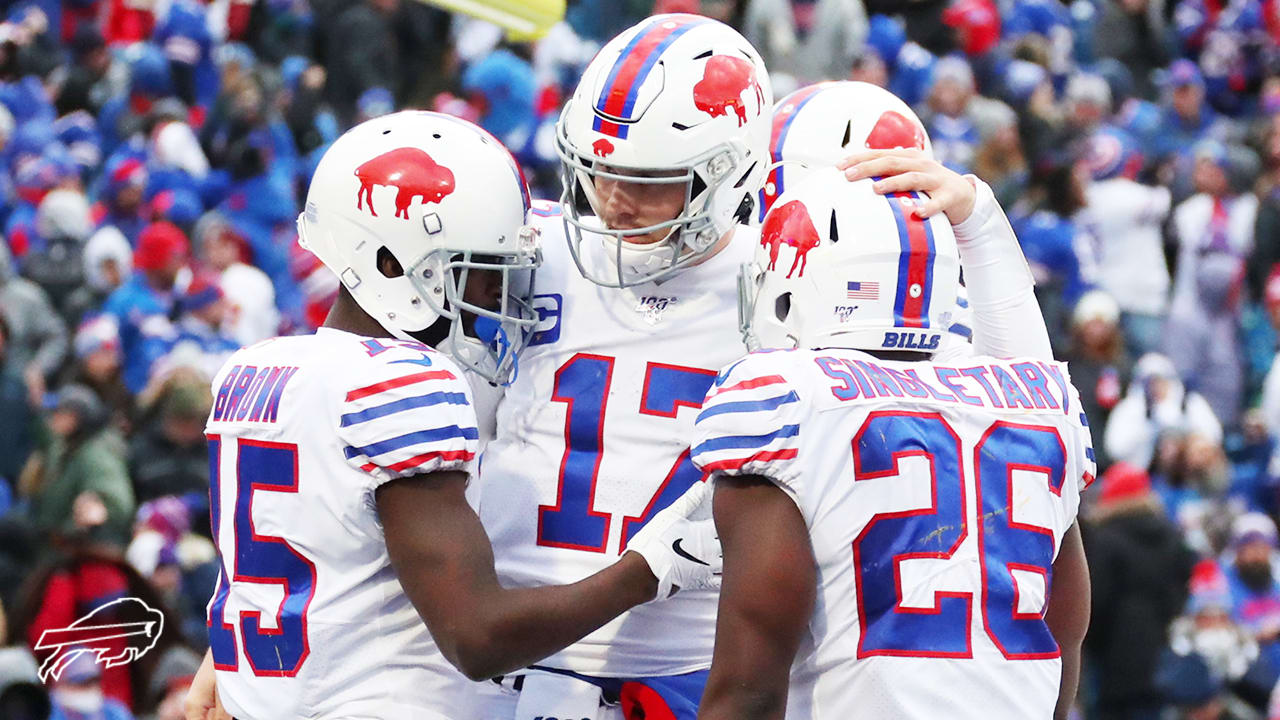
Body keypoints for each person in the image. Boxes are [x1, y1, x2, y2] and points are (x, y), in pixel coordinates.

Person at [473, 21, 1052, 713]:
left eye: (647, 182)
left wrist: (981, 229)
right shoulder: (528, 249)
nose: (612, 201)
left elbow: (1024, 403)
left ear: (732, 171)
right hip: (499, 646)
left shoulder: (804, 270)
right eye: (596, 171)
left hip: (688, 668)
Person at [181, 111, 721, 720]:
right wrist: (647, 570)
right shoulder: (402, 385)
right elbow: (478, 638)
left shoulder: (252, 372)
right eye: (477, 272)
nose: (497, 297)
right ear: (391, 265)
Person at [693, 171, 1094, 720]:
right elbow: (1061, 644)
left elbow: (749, 690)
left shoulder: (787, 400)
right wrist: (982, 219)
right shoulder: (1043, 405)